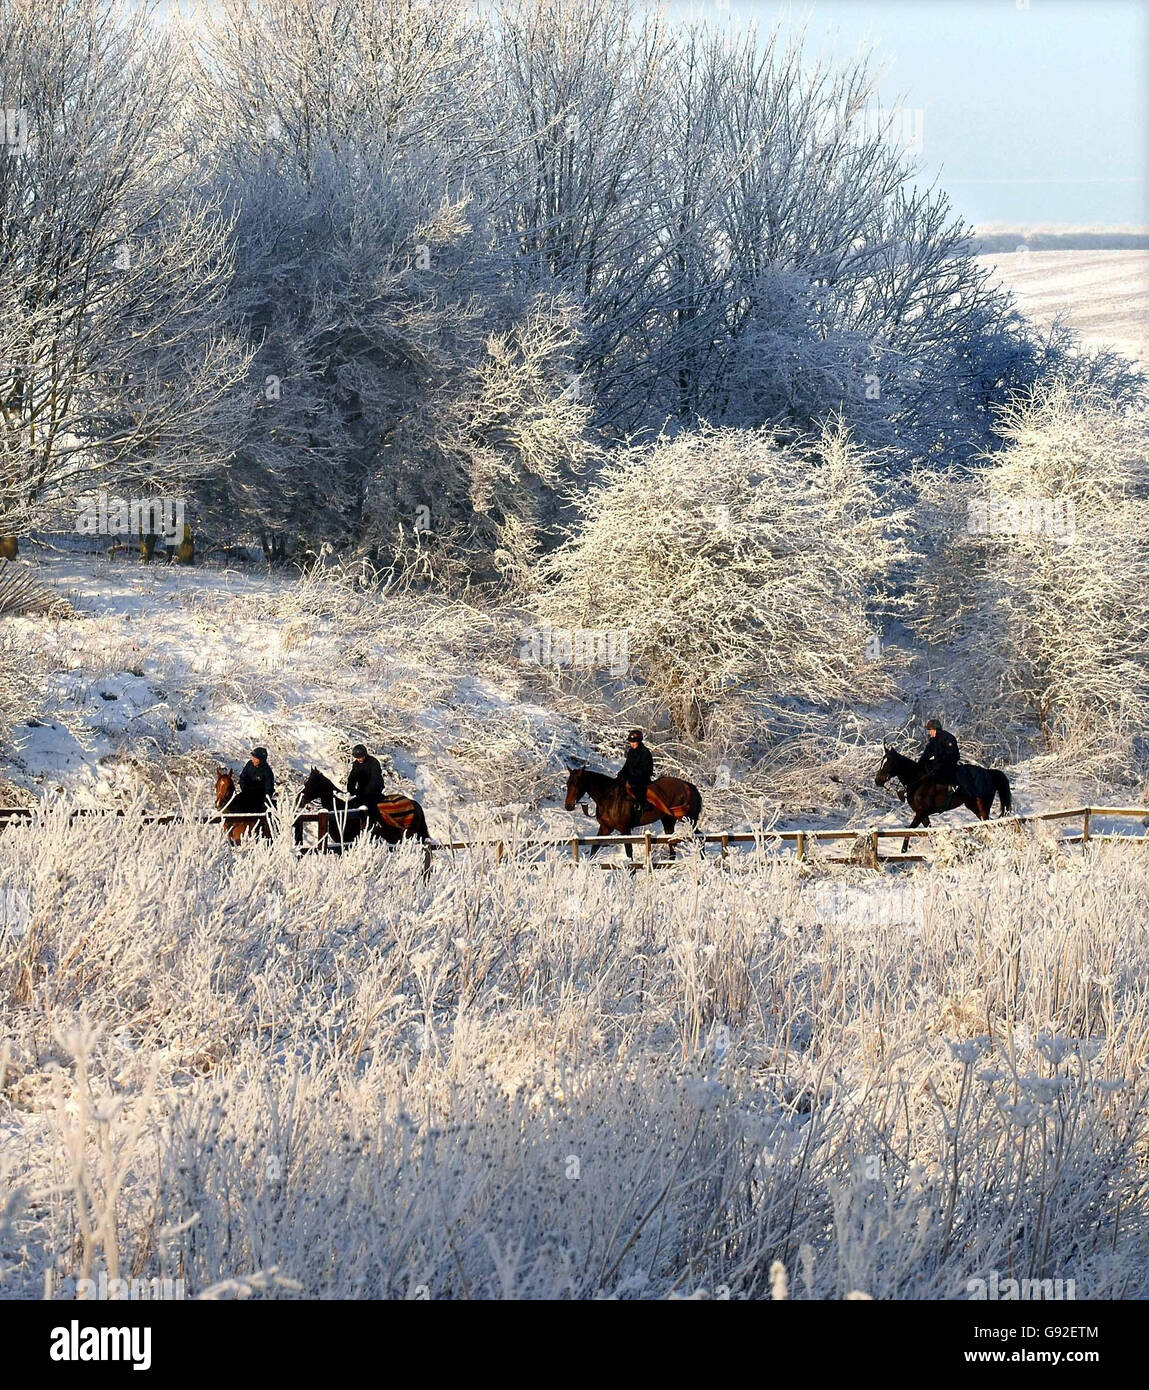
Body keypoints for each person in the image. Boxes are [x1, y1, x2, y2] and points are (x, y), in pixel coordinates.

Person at [616, 729, 654, 823]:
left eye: (634, 742)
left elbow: (646, 770)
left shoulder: (645, 752)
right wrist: (621, 774)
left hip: (642, 779)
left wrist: (633, 777)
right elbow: (627, 766)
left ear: (639, 741)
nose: (632, 744)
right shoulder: (631, 752)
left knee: (634, 787)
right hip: (631, 777)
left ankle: (641, 805)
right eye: (631, 742)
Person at [348, 743, 386, 832]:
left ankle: (377, 823)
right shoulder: (356, 764)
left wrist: (364, 792)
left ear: (365, 755)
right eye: (357, 758)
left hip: (375, 789)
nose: (359, 759)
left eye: (361, 757)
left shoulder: (374, 762)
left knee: (370, 804)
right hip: (362, 790)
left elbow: (375, 780)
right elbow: (352, 777)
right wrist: (350, 790)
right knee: (352, 803)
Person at [920, 719, 960, 789]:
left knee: (940, 772)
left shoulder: (947, 737)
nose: (930, 733)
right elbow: (927, 754)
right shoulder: (933, 741)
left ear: (935, 729)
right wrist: (920, 763)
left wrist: (940, 760)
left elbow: (952, 754)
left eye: (930, 730)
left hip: (948, 765)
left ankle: (949, 789)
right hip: (938, 765)